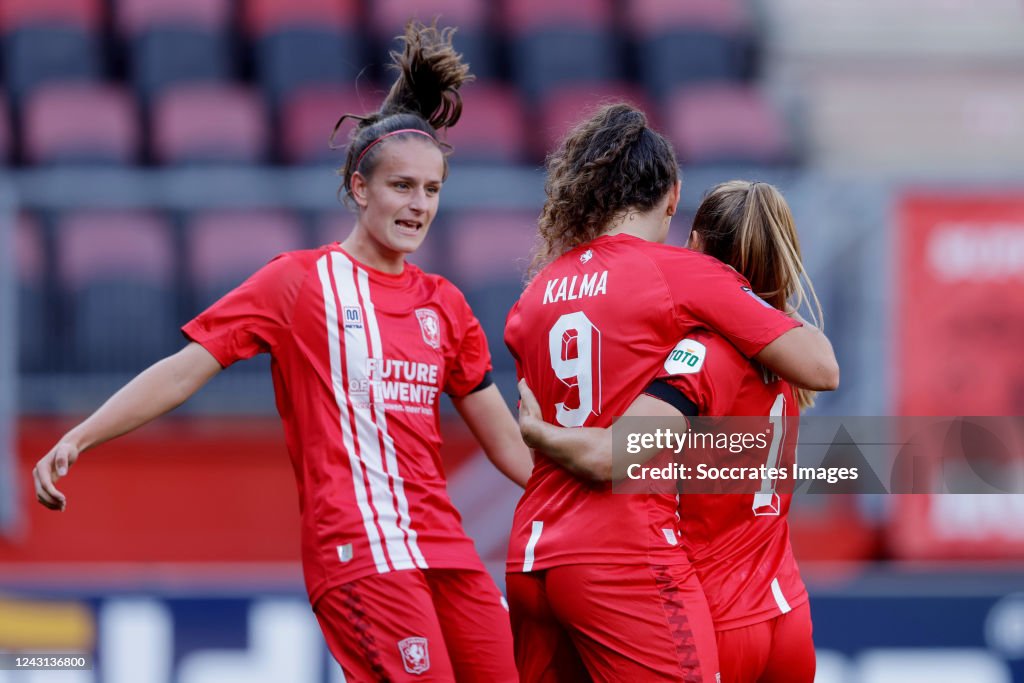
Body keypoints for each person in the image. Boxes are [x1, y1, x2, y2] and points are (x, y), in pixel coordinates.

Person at [33, 21, 528, 682]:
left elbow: (508, 446)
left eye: (432, 190)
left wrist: (618, 486)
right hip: (360, 554)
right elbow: (184, 371)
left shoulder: (446, 304)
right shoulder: (297, 283)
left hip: (449, 550)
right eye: (401, 187)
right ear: (360, 189)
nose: (419, 205)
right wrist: (82, 435)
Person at [503, 104, 838, 682]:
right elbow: (820, 366)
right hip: (637, 558)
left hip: (534, 550)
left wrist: (540, 434)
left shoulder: (535, 295)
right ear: (672, 194)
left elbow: (567, 431)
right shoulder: (688, 290)